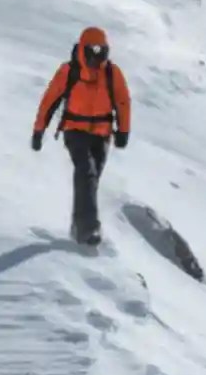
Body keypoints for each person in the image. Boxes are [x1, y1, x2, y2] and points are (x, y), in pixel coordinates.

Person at [32, 26, 132, 244]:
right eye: (92, 50)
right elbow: (50, 101)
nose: (97, 56)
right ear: (83, 49)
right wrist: (39, 130)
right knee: (86, 171)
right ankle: (89, 228)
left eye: (101, 51)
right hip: (74, 130)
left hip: (102, 133)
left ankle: (78, 227)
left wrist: (123, 131)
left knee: (91, 179)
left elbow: (123, 102)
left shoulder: (112, 73)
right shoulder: (69, 71)